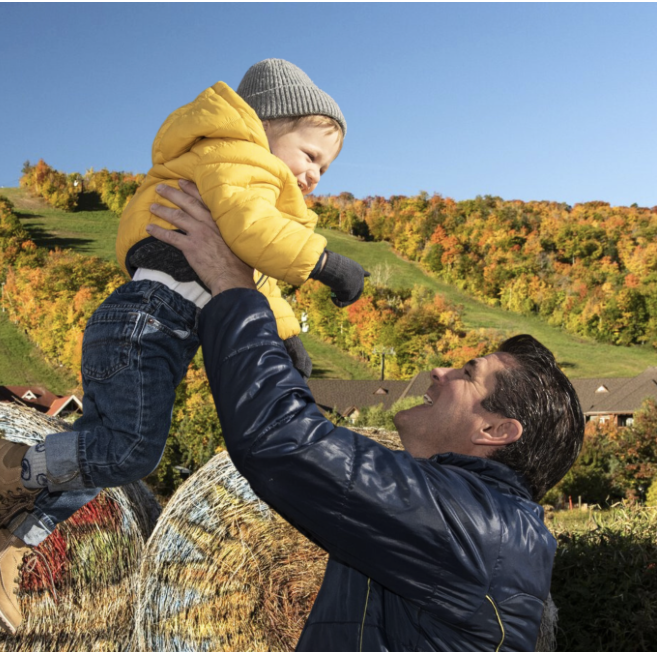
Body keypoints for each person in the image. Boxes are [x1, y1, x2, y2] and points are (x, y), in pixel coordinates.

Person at [0, 58, 369, 633]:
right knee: (131, 453)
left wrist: (287, 334)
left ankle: (10, 541)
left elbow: (248, 272)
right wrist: (325, 263)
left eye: (325, 167)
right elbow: (253, 235)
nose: (316, 175)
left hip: (154, 329)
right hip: (147, 321)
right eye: (311, 156)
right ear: (266, 126)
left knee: (100, 460)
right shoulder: (235, 159)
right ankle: (9, 465)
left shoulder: (237, 179)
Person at [142, 180, 584, 651]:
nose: (440, 371)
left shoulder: (474, 523)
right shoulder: (482, 525)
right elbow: (322, 475)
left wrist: (232, 286)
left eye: (468, 373)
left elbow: (287, 443)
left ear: (495, 430)